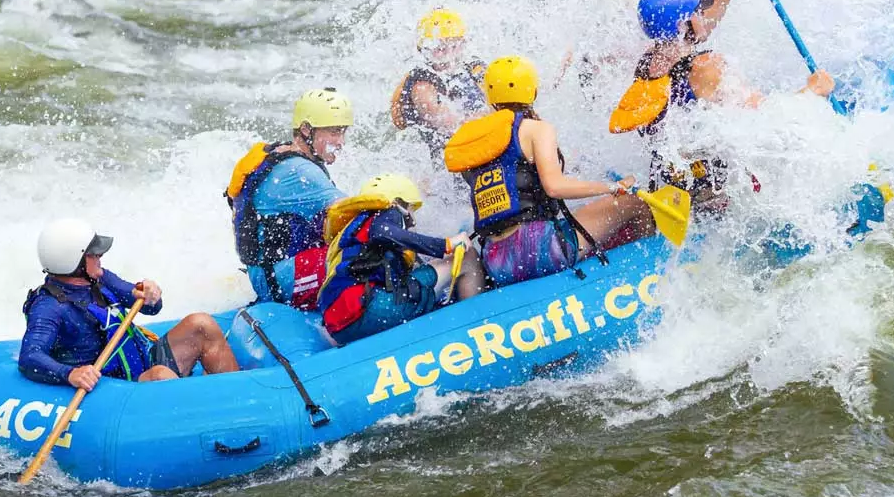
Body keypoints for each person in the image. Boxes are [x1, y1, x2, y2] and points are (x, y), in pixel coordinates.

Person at [609, 0, 834, 201]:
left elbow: (706, 20)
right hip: (712, 191)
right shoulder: (707, 68)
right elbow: (769, 119)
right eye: (698, 12)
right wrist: (812, 92)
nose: (704, 14)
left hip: (672, 182)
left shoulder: (650, 61)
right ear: (685, 26)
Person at [445, 55, 652, 287]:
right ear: (532, 91)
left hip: (497, 262)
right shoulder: (536, 129)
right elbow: (554, 187)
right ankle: (642, 272)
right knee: (635, 204)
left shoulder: (473, 142)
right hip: (539, 251)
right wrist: (614, 187)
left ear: (490, 97)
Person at [18, 218, 239, 390]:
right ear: (73, 262)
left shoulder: (99, 278)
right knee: (161, 376)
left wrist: (150, 294)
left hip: (144, 359)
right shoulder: (49, 307)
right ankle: (208, 417)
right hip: (117, 387)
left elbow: (151, 307)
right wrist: (70, 374)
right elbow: (30, 357)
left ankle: (238, 396)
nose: (101, 256)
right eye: (94, 254)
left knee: (200, 324)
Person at [225, 88, 352, 308]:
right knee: (363, 256)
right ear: (306, 130)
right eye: (333, 132)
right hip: (279, 282)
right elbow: (356, 212)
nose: (340, 141)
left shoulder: (281, 154)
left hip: (268, 273)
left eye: (343, 132)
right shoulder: (299, 171)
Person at [315, 173, 477, 344]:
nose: (414, 220)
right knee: (468, 257)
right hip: (371, 309)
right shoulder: (390, 211)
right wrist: (445, 244)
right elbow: (383, 231)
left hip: (340, 328)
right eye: (413, 211)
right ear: (402, 204)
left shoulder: (356, 231)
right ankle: (477, 326)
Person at [389, 9, 488, 160]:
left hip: (480, 147)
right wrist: (489, 119)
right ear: (424, 49)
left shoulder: (473, 70)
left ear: (463, 43)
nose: (448, 53)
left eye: (454, 46)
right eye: (440, 48)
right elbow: (448, 125)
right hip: (447, 160)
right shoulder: (421, 84)